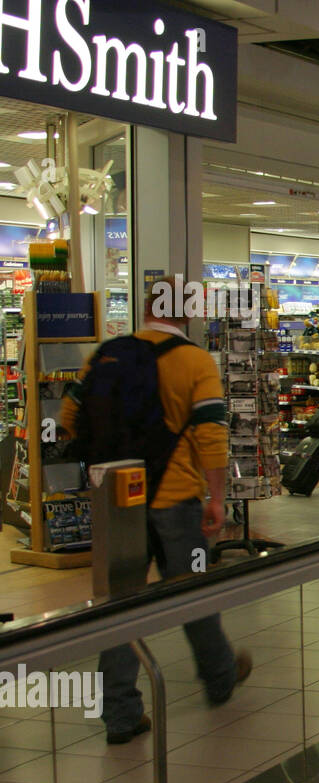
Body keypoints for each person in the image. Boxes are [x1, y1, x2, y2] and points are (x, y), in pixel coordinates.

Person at [60, 282, 251, 744]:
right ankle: (220, 676)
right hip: (175, 497)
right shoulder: (194, 361)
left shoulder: (107, 353)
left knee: (120, 603)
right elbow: (211, 434)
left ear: (145, 310)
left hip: (118, 505)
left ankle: (121, 714)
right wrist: (216, 495)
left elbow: (69, 416)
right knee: (191, 591)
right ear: (187, 315)